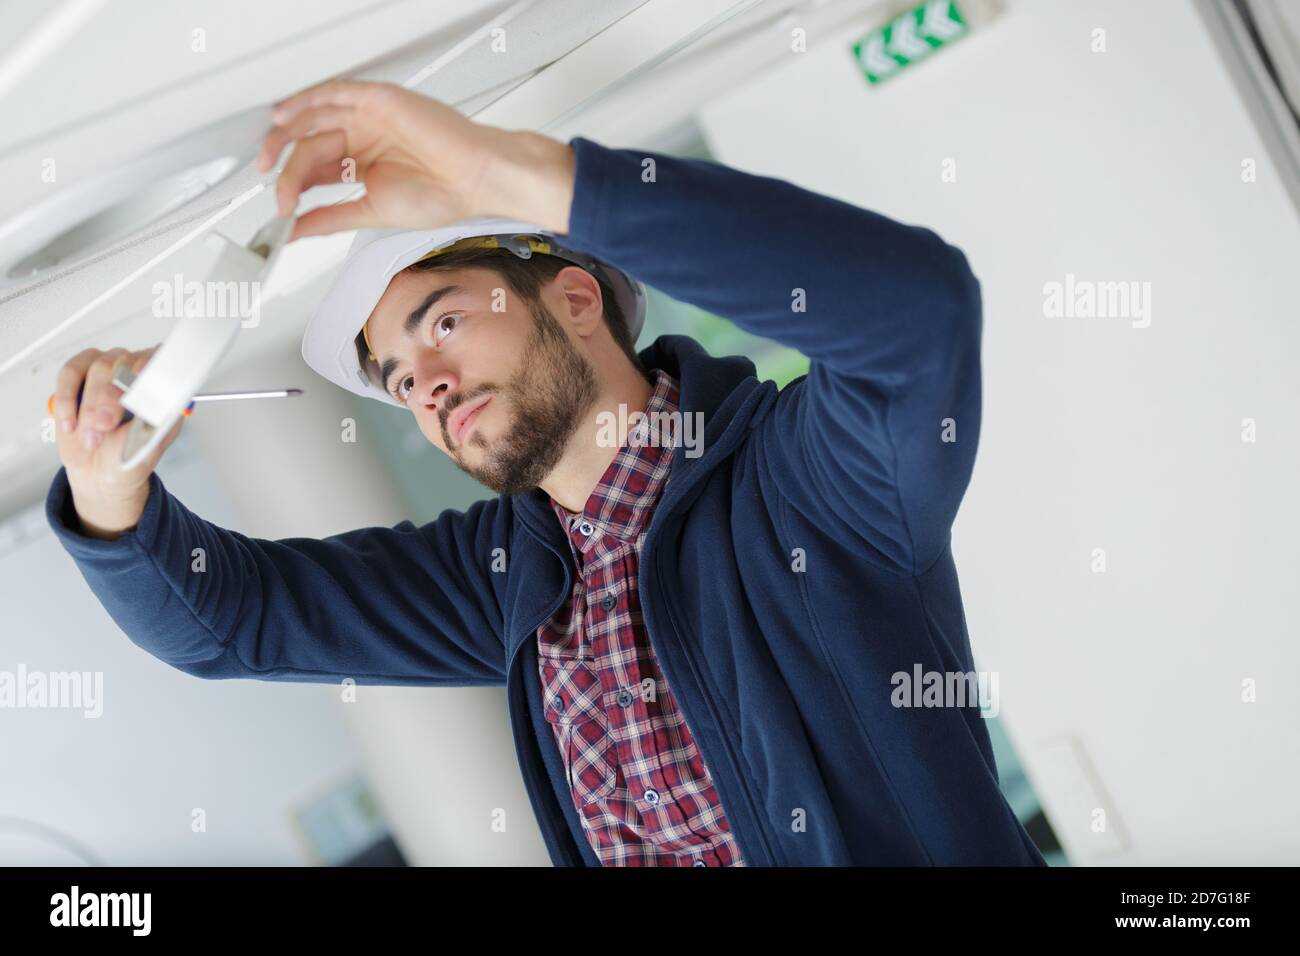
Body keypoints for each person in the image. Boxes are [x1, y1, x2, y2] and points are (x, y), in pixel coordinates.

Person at [46, 79, 1046, 867]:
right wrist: (107, 487)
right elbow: (232, 620)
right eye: (397, 381)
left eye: (444, 322)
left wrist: (509, 175)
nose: (425, 385)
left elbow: (918, 311)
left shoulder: (806, 485)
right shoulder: (499, 579)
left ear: (574, 296)